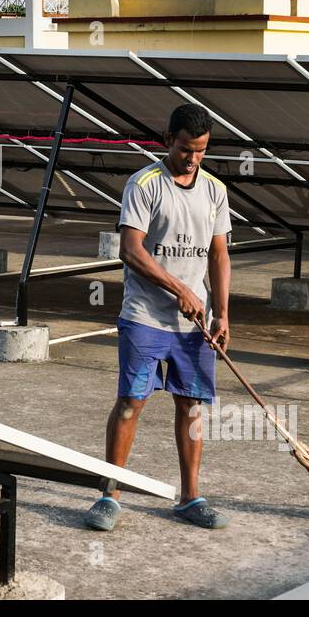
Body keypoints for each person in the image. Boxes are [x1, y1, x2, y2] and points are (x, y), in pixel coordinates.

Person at [85, 103, 232, 531]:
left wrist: (222, 313)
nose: (193, 158)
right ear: (168, 140)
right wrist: (180, 288)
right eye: (186, 149)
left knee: (191, 407)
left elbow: (219, 254)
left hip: (194, 324)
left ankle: (190, 498)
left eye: (201, 151)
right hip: (146, 316)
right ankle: (110, 493)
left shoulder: (215, 191)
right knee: (132, 403)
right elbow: (131, 250)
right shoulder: (144, 184)